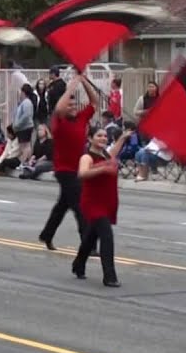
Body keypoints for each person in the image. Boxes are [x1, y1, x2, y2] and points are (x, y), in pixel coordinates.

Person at [39, 75, 98, 251]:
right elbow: (59, 108)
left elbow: (94, 102)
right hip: (65, 171)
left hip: (78, 170)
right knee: (81, 207)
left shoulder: (81, 118)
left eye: (74, 105)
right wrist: (71, 86)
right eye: (69, 105)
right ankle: (88, 246)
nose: (72, 107)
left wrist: (84, 81)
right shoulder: (59, 121)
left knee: (62, 205)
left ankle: (47, 235)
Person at [72, 125, 131, 287]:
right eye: (99, 136)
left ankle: (78, 264)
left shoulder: (105, 154)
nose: (103, 138)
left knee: (91, 236)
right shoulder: (87, 157)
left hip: (106, 201)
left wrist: (123, 138)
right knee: (106, 236)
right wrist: (102, 169)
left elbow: (114, 152)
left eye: (105, 136)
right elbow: (82, 173)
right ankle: (109, 276)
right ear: (90, 138)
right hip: (92, 202)